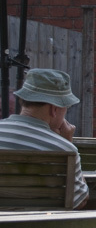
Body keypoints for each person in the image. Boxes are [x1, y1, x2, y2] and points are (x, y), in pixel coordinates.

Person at [0, 68, 89, 208]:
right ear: (54, 109)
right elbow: (79, 200)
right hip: (42, 221)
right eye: (66, 107)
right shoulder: (65, 149)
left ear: (23, 101)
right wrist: (67, 143)